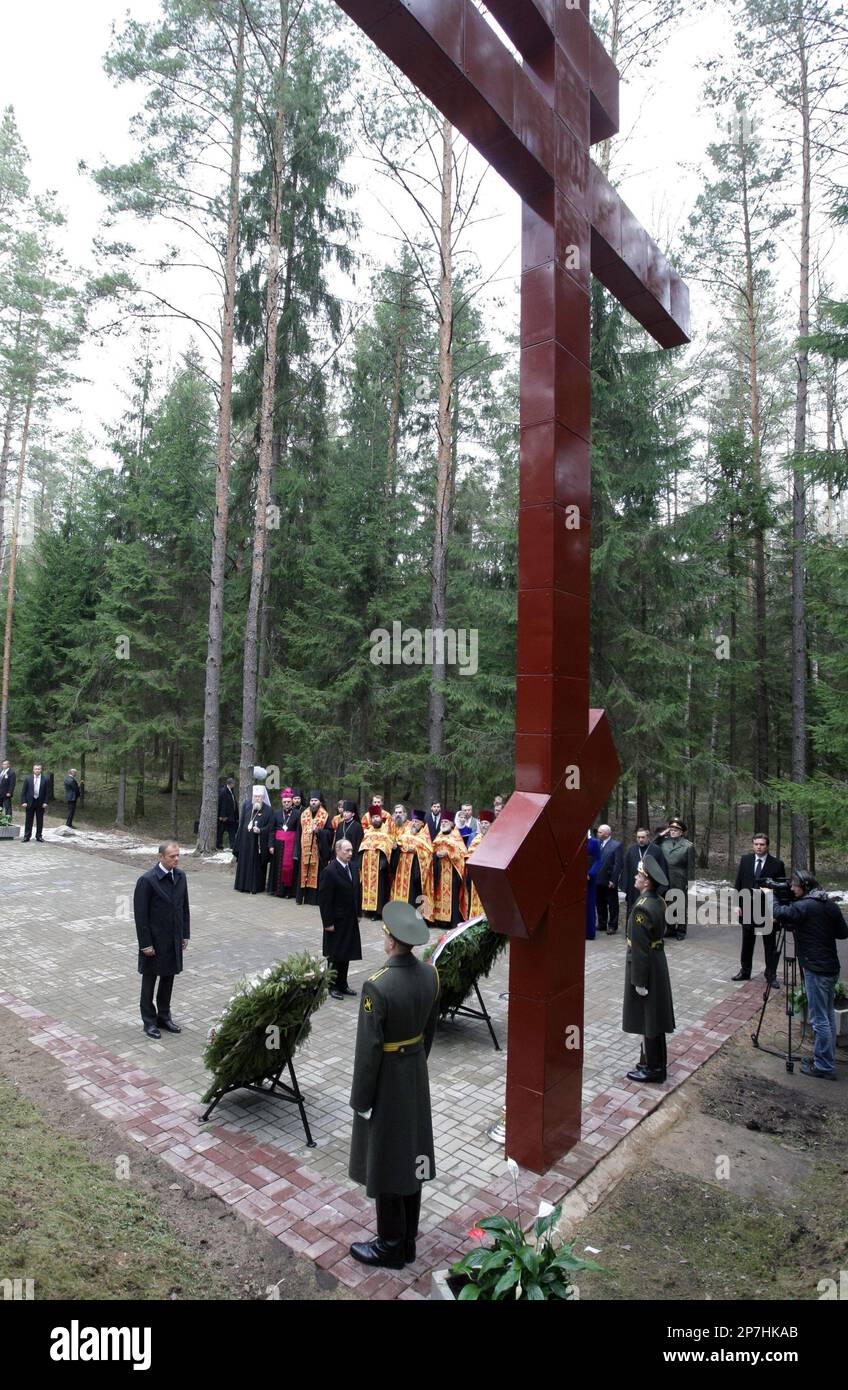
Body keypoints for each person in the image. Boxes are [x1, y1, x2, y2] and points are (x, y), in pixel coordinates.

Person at [348, 899, 440, 1269]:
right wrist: (416, 1061)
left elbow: (368, 1051)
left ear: (390, 940)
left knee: (386, 1158)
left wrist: (361, 1098)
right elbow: (429, 1030)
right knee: (413, 1154)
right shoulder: (430, 975)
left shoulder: (377, 987)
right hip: (415, 1073)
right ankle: (408, 1240)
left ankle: (390, 1245)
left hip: (387, 1078)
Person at [773, 869, 848, 1080]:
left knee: (819, 1019)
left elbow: (780, 913)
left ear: (805, 887)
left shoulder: (803, 906)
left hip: (817, 969)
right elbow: (843, 932)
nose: (791, 888)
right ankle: (824, 1058)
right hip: (831, 966)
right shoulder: (828, 903)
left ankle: (824, 1066)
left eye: (795, 886)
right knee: (827, 1016)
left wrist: (772, 896)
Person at [623, 851, 675, 1084]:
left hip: (647, 968)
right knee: (655, 1017)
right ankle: (654, 1063)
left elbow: (640, 949)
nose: (635, 877)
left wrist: (639, 980)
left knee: (649, 1019)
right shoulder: (657, 901)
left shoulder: (641, 908)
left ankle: (653, 1069)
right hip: (658, 962)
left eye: (639, 874)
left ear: (647, 881)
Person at [134, 841, 190, 1039]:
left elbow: (184, 907)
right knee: (149, 980)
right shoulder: (147, 880)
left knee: (168, 978)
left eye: (177, 855)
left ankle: (164, 1016)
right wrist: (145, 944)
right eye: (172, 856)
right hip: (154, 941)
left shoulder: (181, 876)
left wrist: (185, 934)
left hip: (173, 939)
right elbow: (141, 916)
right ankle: (149, 1021)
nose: (176, 859)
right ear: (161, 857)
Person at [732, 833, 786, 986]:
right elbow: (739, 883)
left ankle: (771, 975)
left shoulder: (777, 864)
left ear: (767, 846)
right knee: (747, 942)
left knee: (769, 945)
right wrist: (737, 904)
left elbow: (781, 890)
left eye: (762, 844)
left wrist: (777, 912)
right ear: (753, 844)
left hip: (767, 911)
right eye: (756, 844)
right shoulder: (746, 860)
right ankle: (745, 971)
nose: (759, 847)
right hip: (748, 908)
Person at [318, 838, 362, 1000]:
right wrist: (327, 923)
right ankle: (332, 986)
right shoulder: (330, 871)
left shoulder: (353, 867)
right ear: (338, 851)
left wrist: (358, 913)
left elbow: (357, 890)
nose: (350, 853)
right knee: (335, 954)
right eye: (347, 850)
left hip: (350, 919)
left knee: (347, 952)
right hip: (336, 921)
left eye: (351, 850)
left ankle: (343, 983)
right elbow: (324, 900)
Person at [653, 817, 696, 940]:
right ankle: (671, 928)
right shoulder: (664, 842)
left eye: (676, 830)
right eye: (671, 829)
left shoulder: (688, 846)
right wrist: (661, 835)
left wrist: (691, 883)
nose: (673, 831)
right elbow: (651, 845)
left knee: (680, 904)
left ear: (682, 832)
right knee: (667, 903)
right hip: (665, 877)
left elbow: (691, 867)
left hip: (679, 878)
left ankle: (681, 931)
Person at [391, 808, 435, 917]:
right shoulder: (405, 833)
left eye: (417, 822)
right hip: (401, 869)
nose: (414, 824)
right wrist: (396, 847)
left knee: (413, 893)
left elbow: (429, 853)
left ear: (422, 824)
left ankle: (412, 915)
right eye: (413, 821)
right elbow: (399, 845)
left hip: (415, 871)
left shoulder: (425, 837)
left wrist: (416, 851)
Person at [232, 786, 274, 893]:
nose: (257, 799)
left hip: (258, 845)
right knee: (244, 863)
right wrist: (238, 843)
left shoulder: (268, 810)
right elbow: (242, 825)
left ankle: (255, 887)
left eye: (259, 797)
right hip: (245, 843)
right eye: (255, 796)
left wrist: (260, 831)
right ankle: (241, 885)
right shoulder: (247, 806)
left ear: (263, 797)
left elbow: (270, 827)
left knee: (256, 866)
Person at [431, 810, 468, 928]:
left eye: (445, 821)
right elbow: (431, 851)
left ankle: (452, 921)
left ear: (451, 824)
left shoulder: (456, 836)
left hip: (452, 872)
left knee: (452, 897)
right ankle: (440, 920)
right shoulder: (439, 836)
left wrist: (448, 852)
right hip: (439, 871)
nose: (443, 823)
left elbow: (462, 853)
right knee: (438, 895)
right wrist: (436, 854)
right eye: (442, 821)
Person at [358, 805, 395, 920]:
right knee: (365, 886)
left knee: (380, 888)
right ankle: (367, 910)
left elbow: (388, 846)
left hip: (379, 865)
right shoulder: (368, 831)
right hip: (366, 865)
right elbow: (362, 847)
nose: (375, 819)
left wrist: (384, 861)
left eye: (377, 817)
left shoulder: (386, 831)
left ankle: (377, 912)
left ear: (381, 818)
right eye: (373, 817)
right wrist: (360, 861)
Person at [296, 791, 329, 904]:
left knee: (317, 874)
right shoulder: (304, 814)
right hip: (304, 850)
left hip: (318, 851)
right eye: (311, 801)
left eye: (315, 801)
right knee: (303, 873)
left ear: (320, 802)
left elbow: (329, 833)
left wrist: (319, 831)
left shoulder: (325, 815)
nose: (313, 803)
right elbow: (298, 832)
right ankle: (303, 897)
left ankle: (314, 900)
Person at [267, 789, 299, 897]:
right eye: (284, 802)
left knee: (288, 868)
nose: (286, 804)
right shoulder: (276, 813)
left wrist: (296, 847)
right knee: (277, 867)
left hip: (291, 844)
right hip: (278, 844)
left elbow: (298, 831)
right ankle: (276, 890)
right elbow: (271, 830)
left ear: (292, 802)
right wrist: (271, 845)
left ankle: (288, 891)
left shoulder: (297, 814)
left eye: (288, 802)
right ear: (282, 802)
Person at [595, 824, 623, 935]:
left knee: (612, 904)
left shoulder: (616, 845)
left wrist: (614, 879)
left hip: (609, 880)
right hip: (597, 879)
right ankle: (602, 923)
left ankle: (612, 925)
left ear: (607, 833)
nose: (598, 834)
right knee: (599, 903)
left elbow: (618, 864)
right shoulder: (597, 844)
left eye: (600, 832)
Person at [465, 810, 493, 918]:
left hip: (490, 876)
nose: (484, 825)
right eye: (482, 823)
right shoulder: (476, 839)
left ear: (491, 824)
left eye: (486, 823)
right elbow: (469, 855)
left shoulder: (494, 838)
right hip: (477, 876)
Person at [623, 827, 655, 912]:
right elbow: (626, 869)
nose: (640, 840)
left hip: (649, 889)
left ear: (648, 837)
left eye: (643, 837)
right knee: (632, 912)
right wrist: (626, 888)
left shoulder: (656, 850)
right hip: (633, 888)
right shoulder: (631, 849)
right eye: (638, 837)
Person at [21, 762, 50, 842]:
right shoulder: (28, 778)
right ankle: (27, 836)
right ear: (33, 770)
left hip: (40, 802)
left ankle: (39, 836)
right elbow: (24, 791)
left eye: (39, 769)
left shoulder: (46, 779)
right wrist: (23, 801)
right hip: (30, 802)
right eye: (36, 769)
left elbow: (48, 792)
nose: (37, 770)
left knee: (40, 820)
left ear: (41, 770)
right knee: (28, 820)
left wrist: (46, 802)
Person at [216, 776, 239, 850]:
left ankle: (232, 845)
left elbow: (233, 803)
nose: (234, 785)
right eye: (233, 783)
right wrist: (222, 816)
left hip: (231, 816)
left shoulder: (231, 791)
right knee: (221, 831)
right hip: (225, 816)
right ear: (230, 784)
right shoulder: (224, 791)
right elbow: (222, 804)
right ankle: (219, 845)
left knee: (232, 830)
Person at [586, 828, 601, 940]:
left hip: (589, 878)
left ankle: (589, 932)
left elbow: (598, 860)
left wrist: (590, 873)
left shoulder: (594, 842)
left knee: (589, 903)